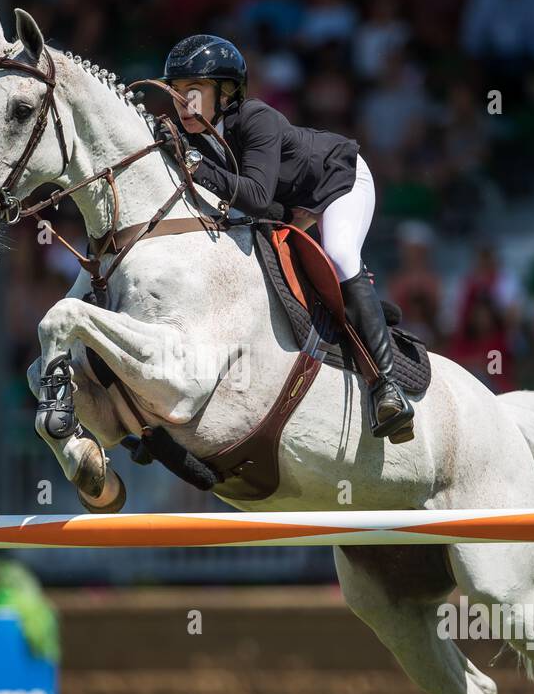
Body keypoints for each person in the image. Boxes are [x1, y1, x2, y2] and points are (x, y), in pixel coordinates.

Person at [161, 34, 414, 441]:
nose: (182, 103)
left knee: (341, 254)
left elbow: (257, 195)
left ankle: (387, 387)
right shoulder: (190, 135)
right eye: (175, 92)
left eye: (194, 91)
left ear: (226, 93)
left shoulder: (256, 118)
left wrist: (192, 164)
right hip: (285, 206)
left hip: (337, 181)